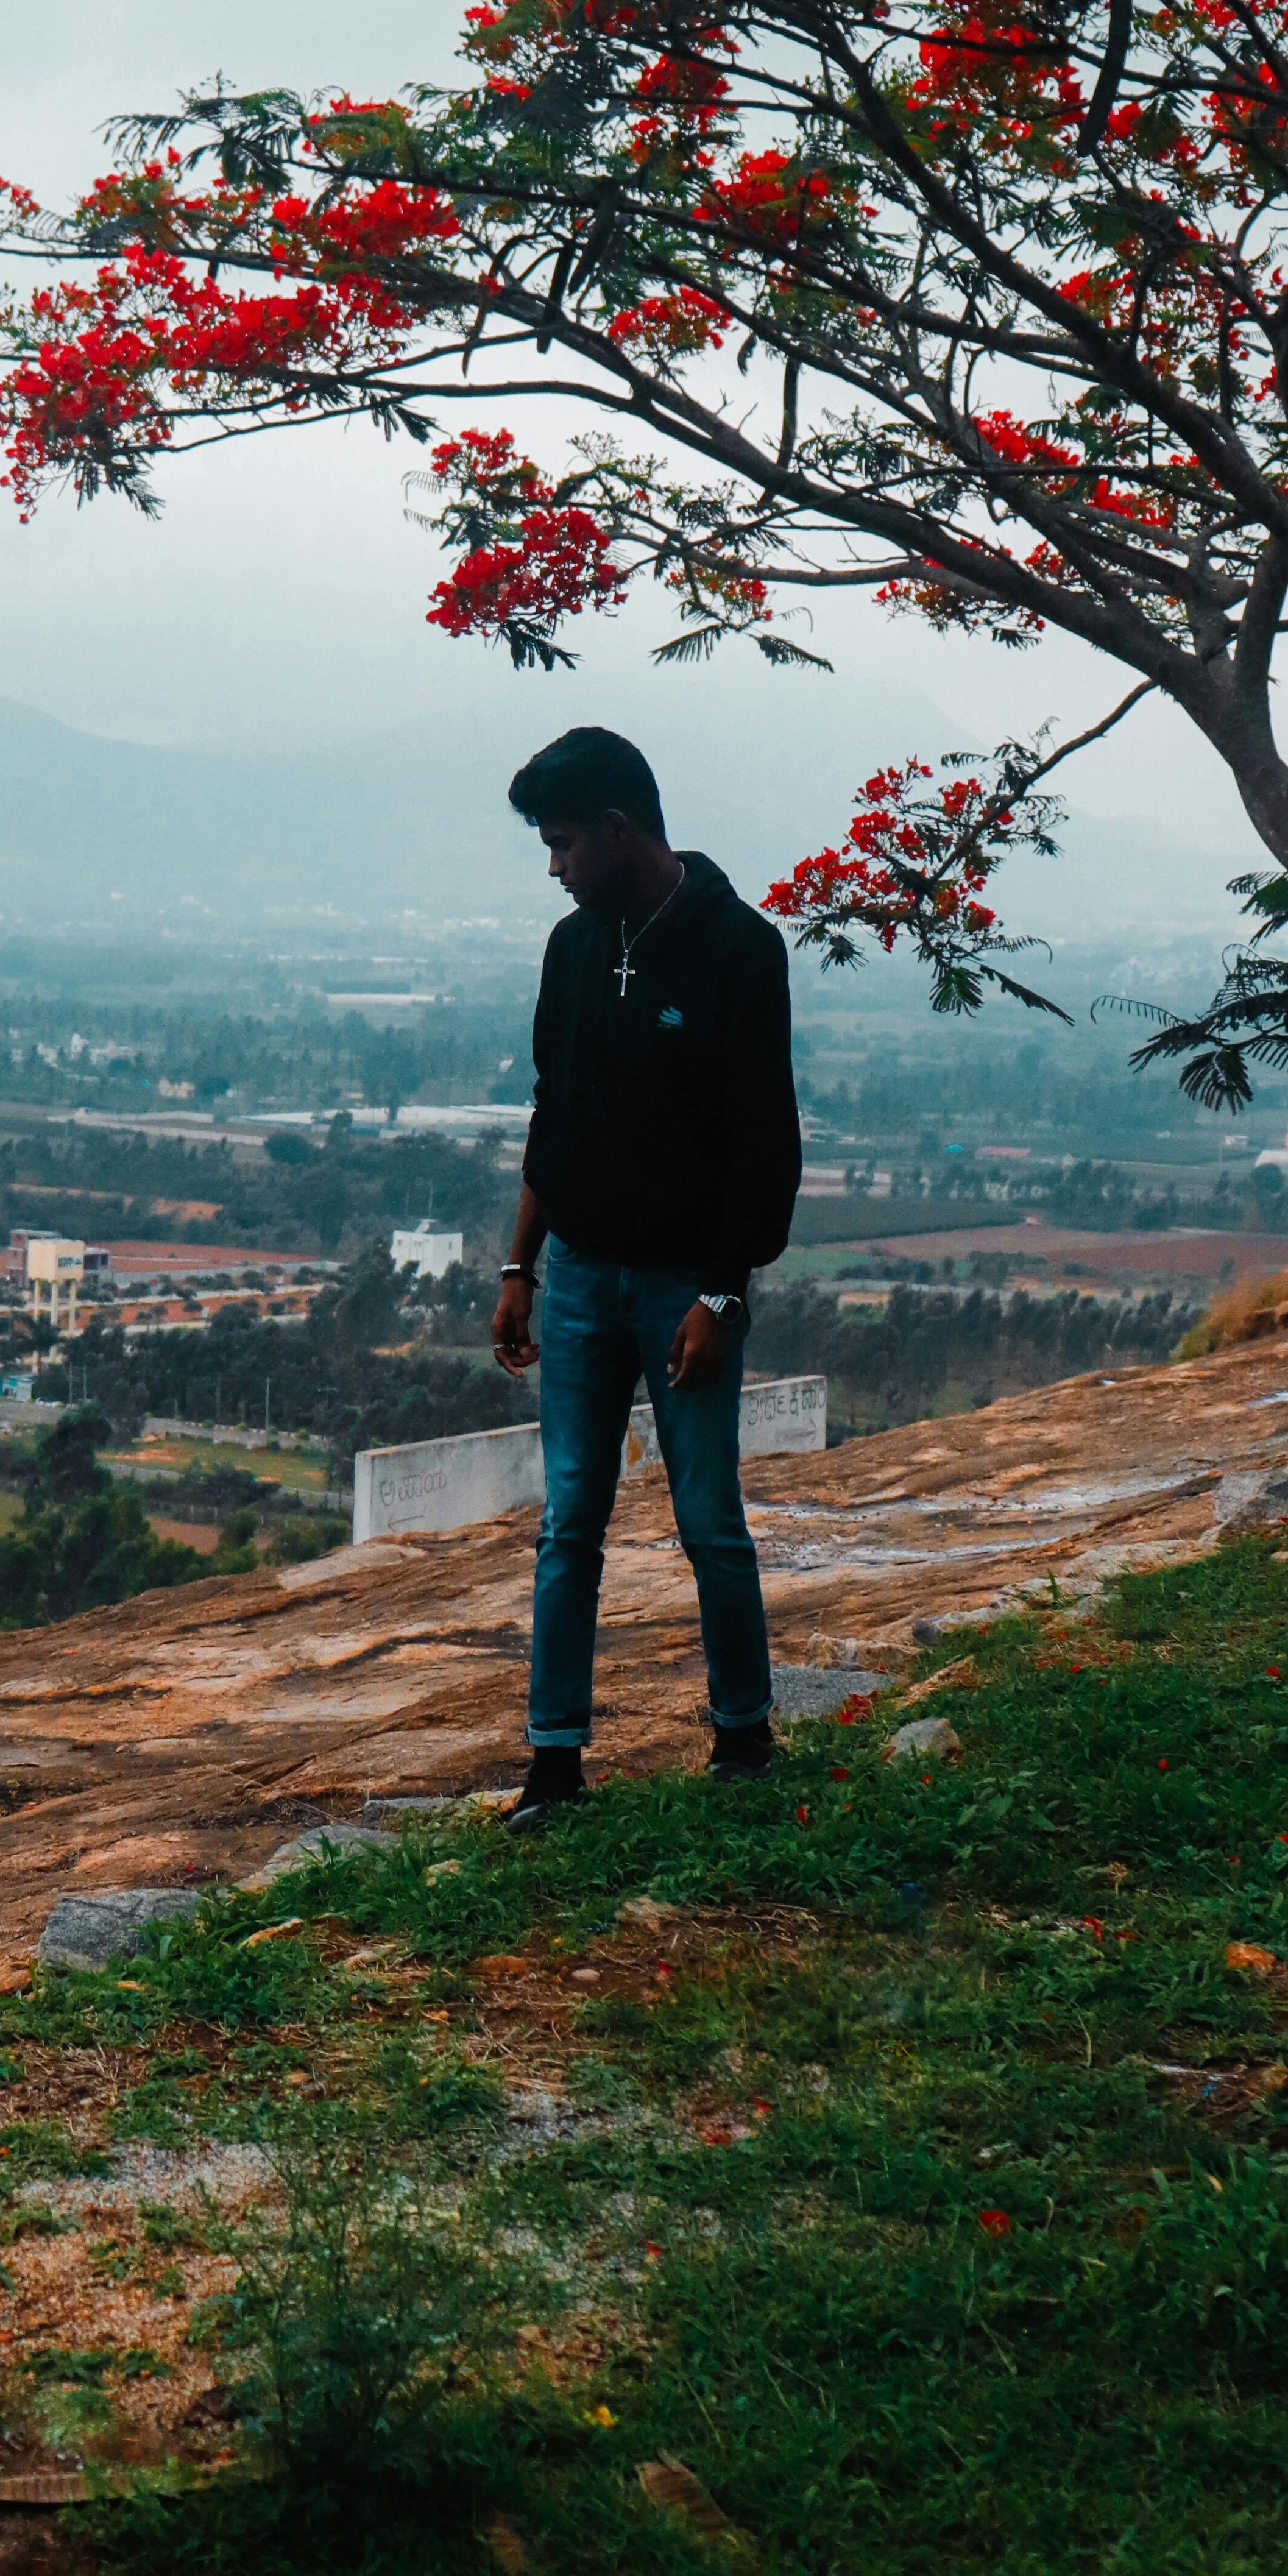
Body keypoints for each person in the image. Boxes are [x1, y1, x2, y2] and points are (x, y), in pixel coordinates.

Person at [489, 724, 801, 1831]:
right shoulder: (572, 950)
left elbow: (766, 1149)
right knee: (569, 1522)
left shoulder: (736, 949)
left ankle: (745, 1742)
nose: (555, 864)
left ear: (619, 829)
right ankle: (555, 1767)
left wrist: (722, 1295)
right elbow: (550, 1114)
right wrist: (522, 1263)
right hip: (575, 1277)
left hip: (683, 1285)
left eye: (564, 841)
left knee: (709, 1518)